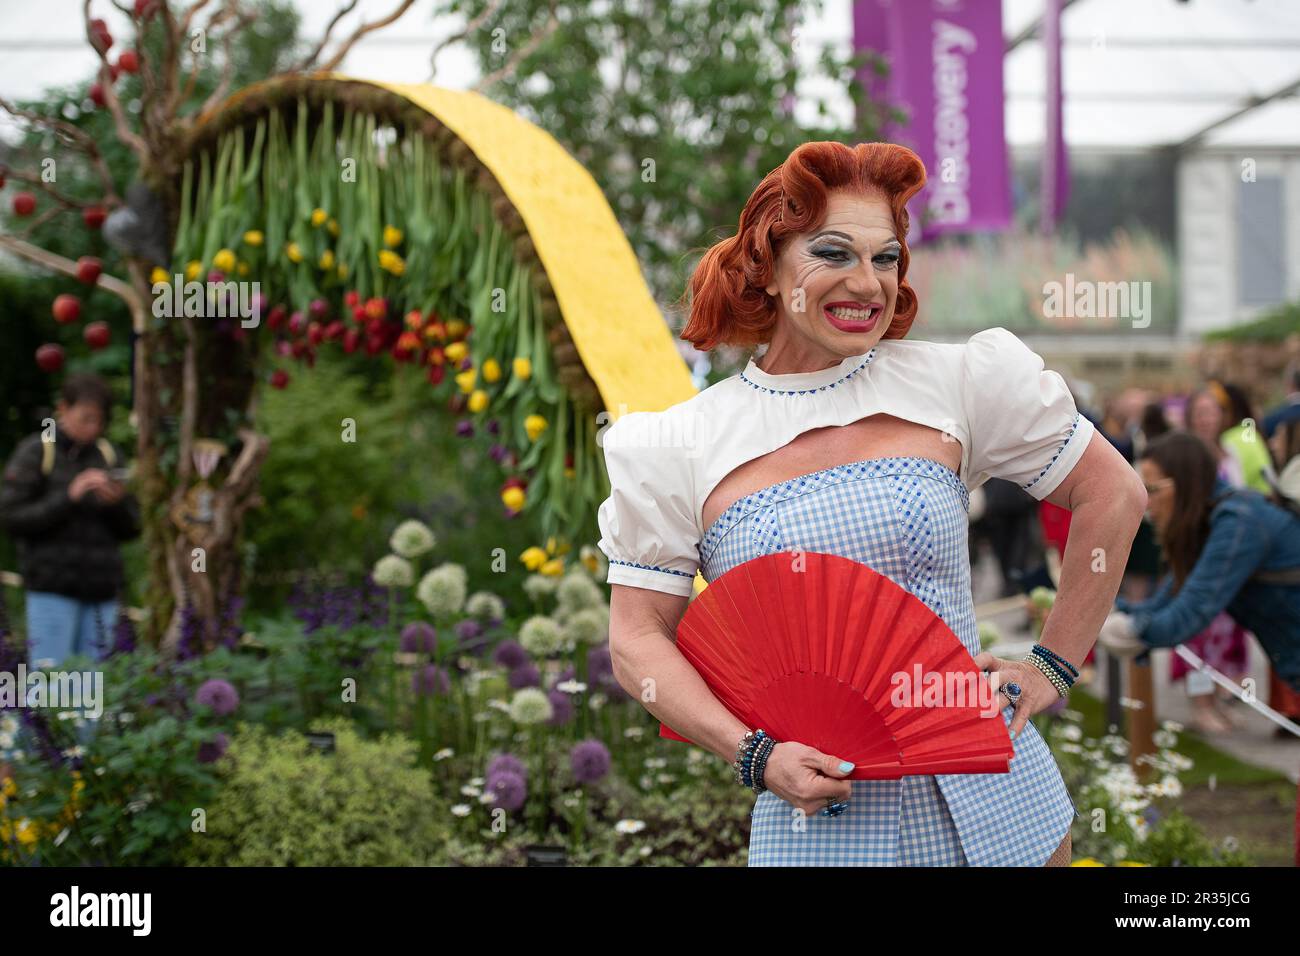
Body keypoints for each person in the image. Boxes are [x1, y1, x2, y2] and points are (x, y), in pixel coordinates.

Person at [597, 141, 1147, 867]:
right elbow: (636, 640)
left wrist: (1050, 668)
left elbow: (1115, 492)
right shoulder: (681, 443)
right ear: (768, 264)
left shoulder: (955, 382)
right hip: (820, 827)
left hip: (1006, 807)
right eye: (833, 253)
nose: (867, 283)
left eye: (885, 258)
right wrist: (755, 755)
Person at [1102, 430, 1300, 722]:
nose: (1146, 503)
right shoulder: (1214, 522)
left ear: (1184, 486)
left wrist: (1120, 628)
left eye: (1152, 490)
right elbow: (1163, 604)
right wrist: (1091, 617)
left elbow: (1184, 618)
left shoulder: (1238, 523)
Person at [0, 373, 140, 666]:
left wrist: (115, 504)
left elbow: (132, 527)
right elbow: (11, 517)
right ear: (63, 409)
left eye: (99, 421)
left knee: (96, 688)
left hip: (101, 589)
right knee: (52, 681)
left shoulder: (108, 455)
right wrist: (69, 496)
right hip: (52, 589)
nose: (93, 428)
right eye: (86, 418)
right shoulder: (37, 452)